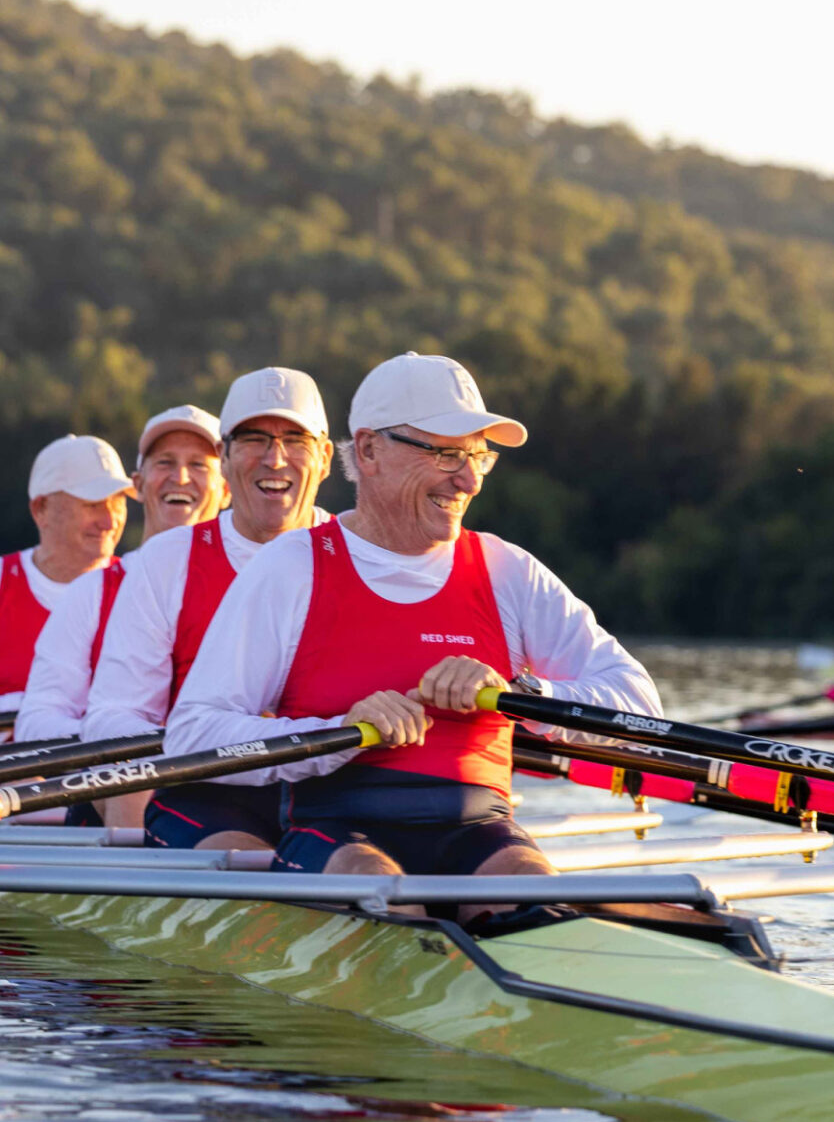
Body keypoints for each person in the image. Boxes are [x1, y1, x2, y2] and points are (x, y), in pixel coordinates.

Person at [165, 351, 661, 914]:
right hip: (339, 834)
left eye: (478, 455)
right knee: (384, 892)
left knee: (528, 886)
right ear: (370, 450)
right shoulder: (293, 567)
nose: (469, 478)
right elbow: (194, 734)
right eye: (447, 453)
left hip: (480, 832)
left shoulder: (508, 571)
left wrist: (526, 696)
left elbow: (637, 705)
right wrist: (337, 731)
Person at [82, 368, 335, 844]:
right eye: (254, 439)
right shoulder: (169, 559)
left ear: (323, 458)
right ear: (224, 456)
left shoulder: (359, 554)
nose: (274, 459)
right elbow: (113, 714)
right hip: (207, 788)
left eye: (294, 440)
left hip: (330, 791)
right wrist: (210, 726)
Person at [14, 405, 227, 744]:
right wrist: (113, 731)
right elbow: (36, 720)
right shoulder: (91, 593)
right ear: (139, 486)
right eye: (165, 462)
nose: (181, 477)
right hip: (126, 781)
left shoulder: (256, 582)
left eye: (198, 465)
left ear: (227, 489)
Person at [0, 435, 133, 724]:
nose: (109, 521)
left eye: (117, 502)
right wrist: (41, 708)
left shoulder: (137, 585)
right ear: (40, 510)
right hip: (0, 767)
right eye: (92, 504)